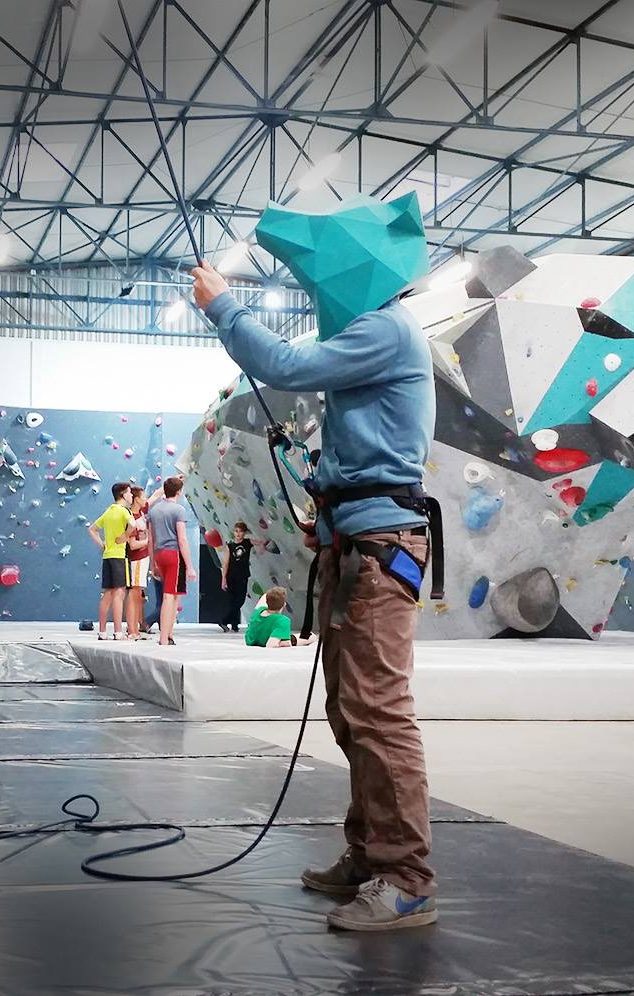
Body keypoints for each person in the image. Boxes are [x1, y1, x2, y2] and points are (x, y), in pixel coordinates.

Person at [192, 192, 438, 932]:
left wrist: (224, 307)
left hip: (377, 548)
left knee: (377, 711)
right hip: (354, 540)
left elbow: (287, 365)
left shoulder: (388, 330)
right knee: (348, 707)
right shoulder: (378, 331)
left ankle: (406, 879)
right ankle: (369, 854)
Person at [146, 476, 196, 646]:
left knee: (174, 596)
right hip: (174, 554)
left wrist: (153, 563)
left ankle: (169, 634)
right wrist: (189, 566)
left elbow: (151, 539)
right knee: (169, 596)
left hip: (159, 554)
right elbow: (182, 539)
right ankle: (163, 637)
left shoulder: (153, 511)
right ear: (179, 492)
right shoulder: (178, 510)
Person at [88, 482, 132, 641]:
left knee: (107, 593)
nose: (132, 495)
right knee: (119, 594)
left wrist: (103, 544)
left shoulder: (108, 511)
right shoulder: (124, 511)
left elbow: (92, 529)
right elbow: (133, 525)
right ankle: (118, 631)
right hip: (120, 557)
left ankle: (102, 631)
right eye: (129, 493)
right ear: (123, 494)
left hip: (107, 556)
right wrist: (125, 536)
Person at [125, 484, 166, 640]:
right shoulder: (131, 519)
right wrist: (149, 541)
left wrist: (173, 480)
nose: (145, 499)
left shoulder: (142, 512)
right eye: (142, 497)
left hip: (144, 559)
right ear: (136, 499)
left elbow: (155, 495)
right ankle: (132, 628)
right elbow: (133, 544)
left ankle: (140, 624)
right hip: (137, 560)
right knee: (134, 593)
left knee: (140, 595)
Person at [245, 587, 317, 648]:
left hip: (252, 640)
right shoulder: (282, 620)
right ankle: (288, 640)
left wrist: (273, 595)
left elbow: (265, 596)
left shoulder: (258, 611)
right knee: (311, 636)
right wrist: (286, 643)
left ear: (267, 602)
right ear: (284, 604)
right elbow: (271, 645)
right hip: (268, 640)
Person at [219, 521, 252, 632]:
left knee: (240, 600)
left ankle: (227, 621)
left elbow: (259, 542)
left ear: (244, 533)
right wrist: (223, 579)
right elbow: (225, 563)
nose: (238, 534)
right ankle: (233, 624)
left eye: (241, 531)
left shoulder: (247, 543)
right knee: (233, 601)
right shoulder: (230, 546)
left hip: (242, 576)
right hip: (231, 576)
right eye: (236, 531)